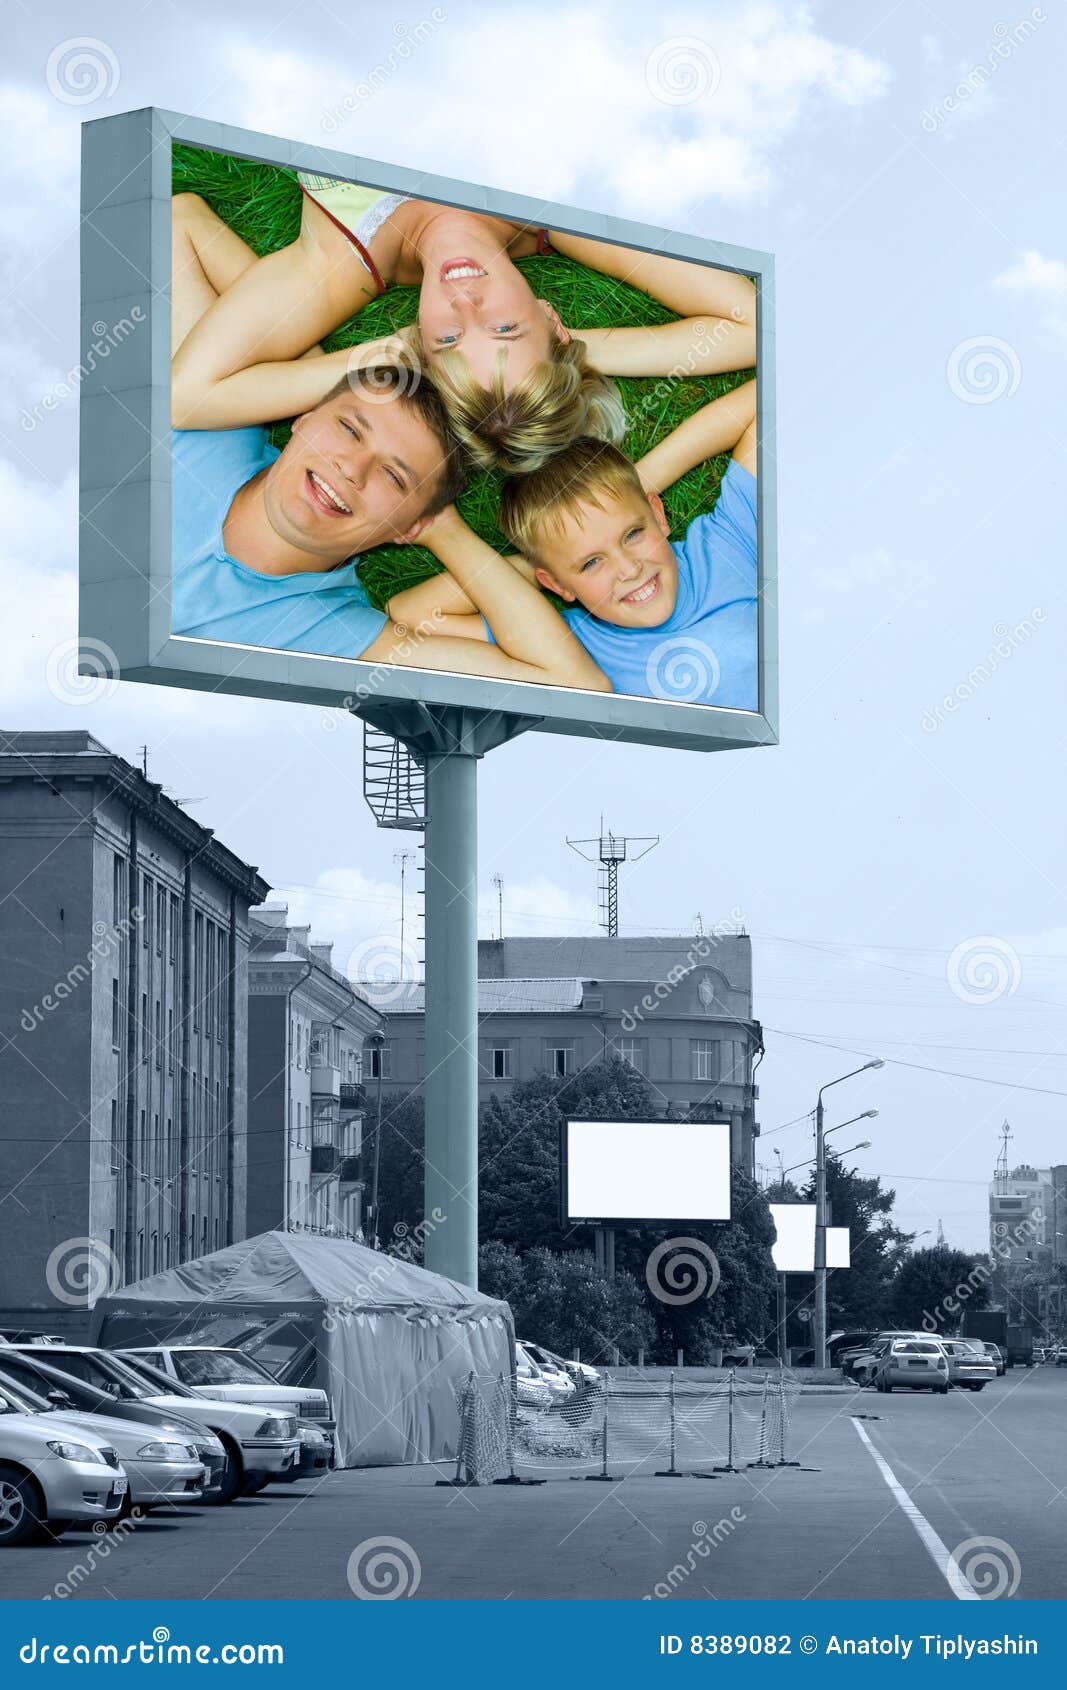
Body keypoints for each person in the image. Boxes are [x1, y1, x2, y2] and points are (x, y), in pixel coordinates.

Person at [169, 194, 612, 694]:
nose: (351, 469)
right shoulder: (211, 430)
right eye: (350, 429)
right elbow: (180, 225)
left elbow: (577, 686)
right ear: (303, 416)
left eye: (394, 477)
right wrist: (362, 361)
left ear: (412, 525)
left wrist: (446, 532)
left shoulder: (327, 631)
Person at [170, 180, 756, 471]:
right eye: (505, 330)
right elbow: (754, 325)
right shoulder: (557, 208)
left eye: (448, 341)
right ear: (551, 318)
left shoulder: (338, 262)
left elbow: (187, 399)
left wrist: (383, 355)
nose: (464, 302)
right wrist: (572, 353)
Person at [385, 379, 759, 708]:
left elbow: (765, 402)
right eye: (591, 563)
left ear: (658, 515)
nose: (630, 569)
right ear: (555, 585)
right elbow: (412, 614)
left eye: (633, 533)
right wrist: (545, 562)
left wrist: (632, 489)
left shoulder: (724, 547)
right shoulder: (570, 643)